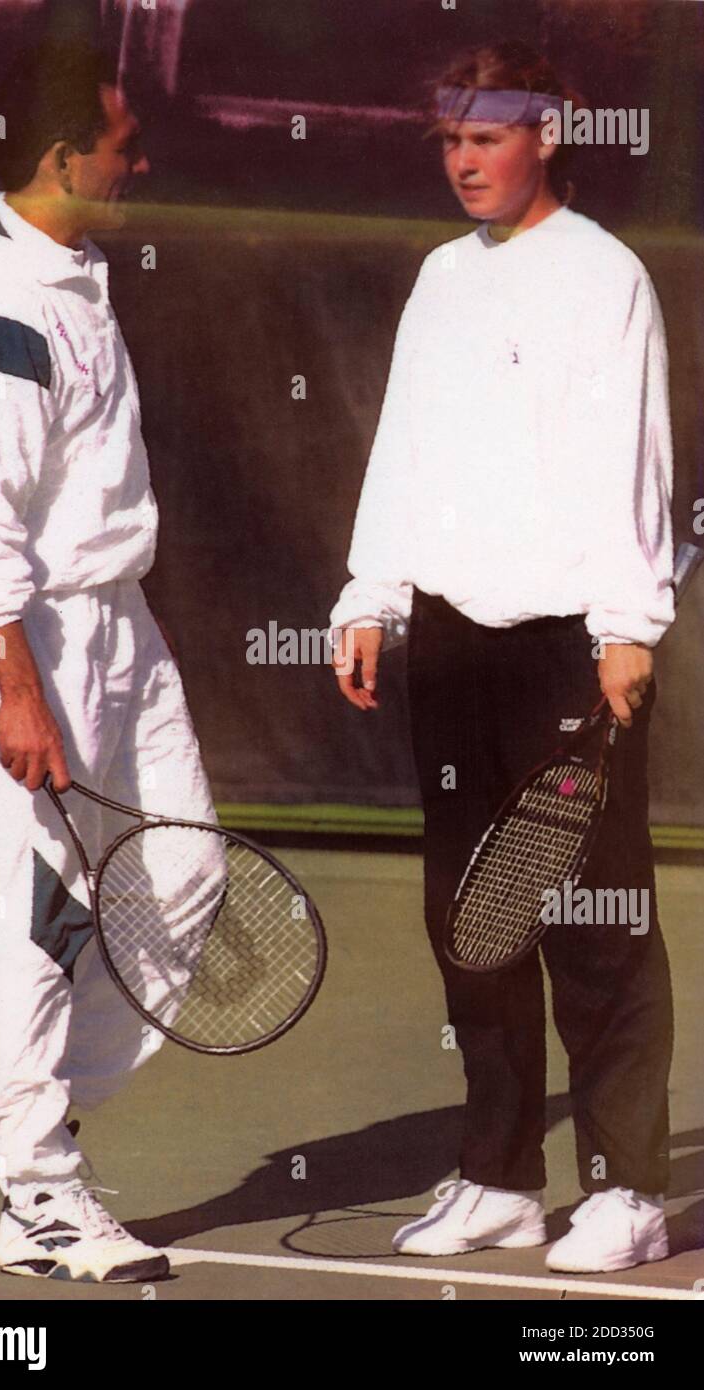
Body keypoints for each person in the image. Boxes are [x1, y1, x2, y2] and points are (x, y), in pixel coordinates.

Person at [329, 41, 675, 1274]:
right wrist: (370, 590)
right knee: (469, 917)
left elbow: (632, 458)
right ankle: (497, 1175)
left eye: (485, 137)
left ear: (550, 129)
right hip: (452, 637)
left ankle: (627, 1189)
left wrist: (625, 628)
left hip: (566, 647)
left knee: (590, 917)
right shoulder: (438, 278)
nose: (462, 161)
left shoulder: (603, 278)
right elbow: (404, 443)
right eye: (447, 140)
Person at [0, 40, 218, 1283]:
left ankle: (21, 1104)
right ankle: (38, 1187)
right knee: (46, 905)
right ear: (57, 155)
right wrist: (18, 685)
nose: (140, 161)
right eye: (124, 143)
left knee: (178, 877)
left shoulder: (73, 268)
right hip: (19, 634)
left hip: (113, 624)